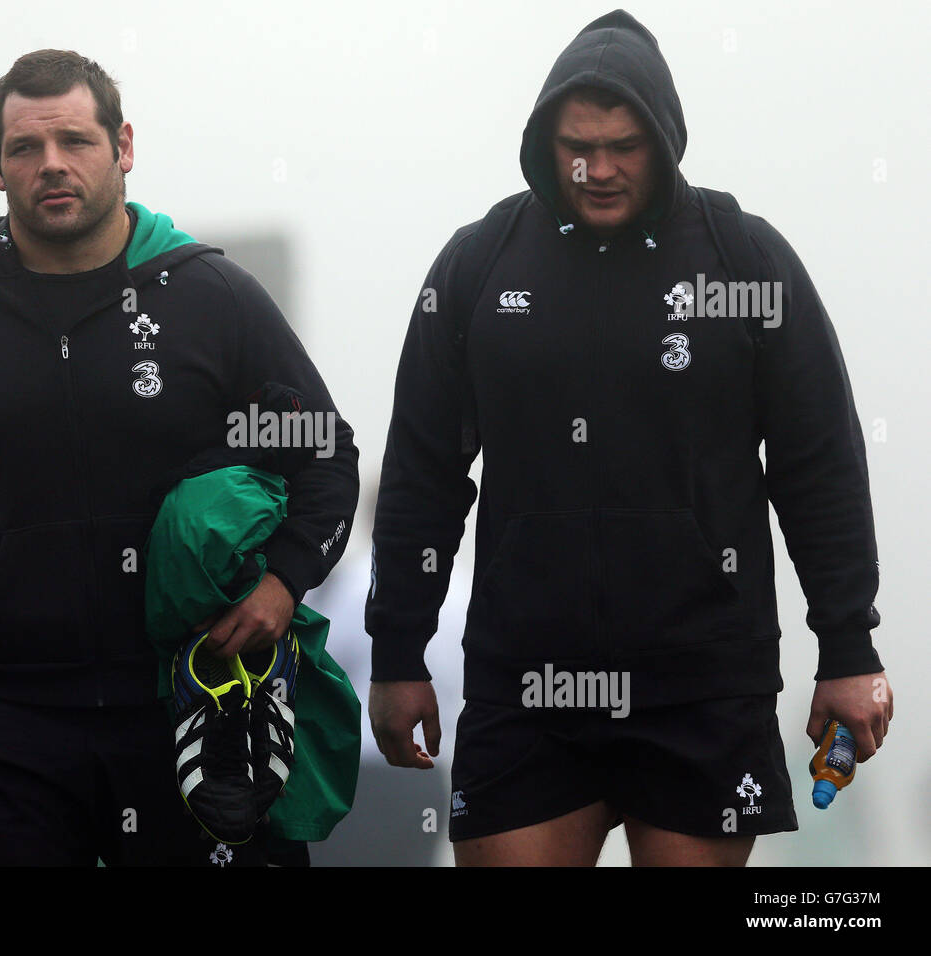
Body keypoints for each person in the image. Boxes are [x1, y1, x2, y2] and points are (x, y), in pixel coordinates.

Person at [365, 9, 892, 867]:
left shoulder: (745, 261)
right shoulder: (477, 266)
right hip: (524, 686)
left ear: (665, 139)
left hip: (703, 683)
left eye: (623, 146)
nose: (598, 169)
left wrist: (848, 645)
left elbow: (820, 464)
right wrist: (397, 653)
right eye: (578, 146)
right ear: (545, 142)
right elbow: (423, 474)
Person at [0, 49, 358, 866]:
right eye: (24, 149)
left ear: (124, 147)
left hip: (194, 697)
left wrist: (286, 583)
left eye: (75, 140)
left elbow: (326, 455)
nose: (51, 166)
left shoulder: (211, 299)